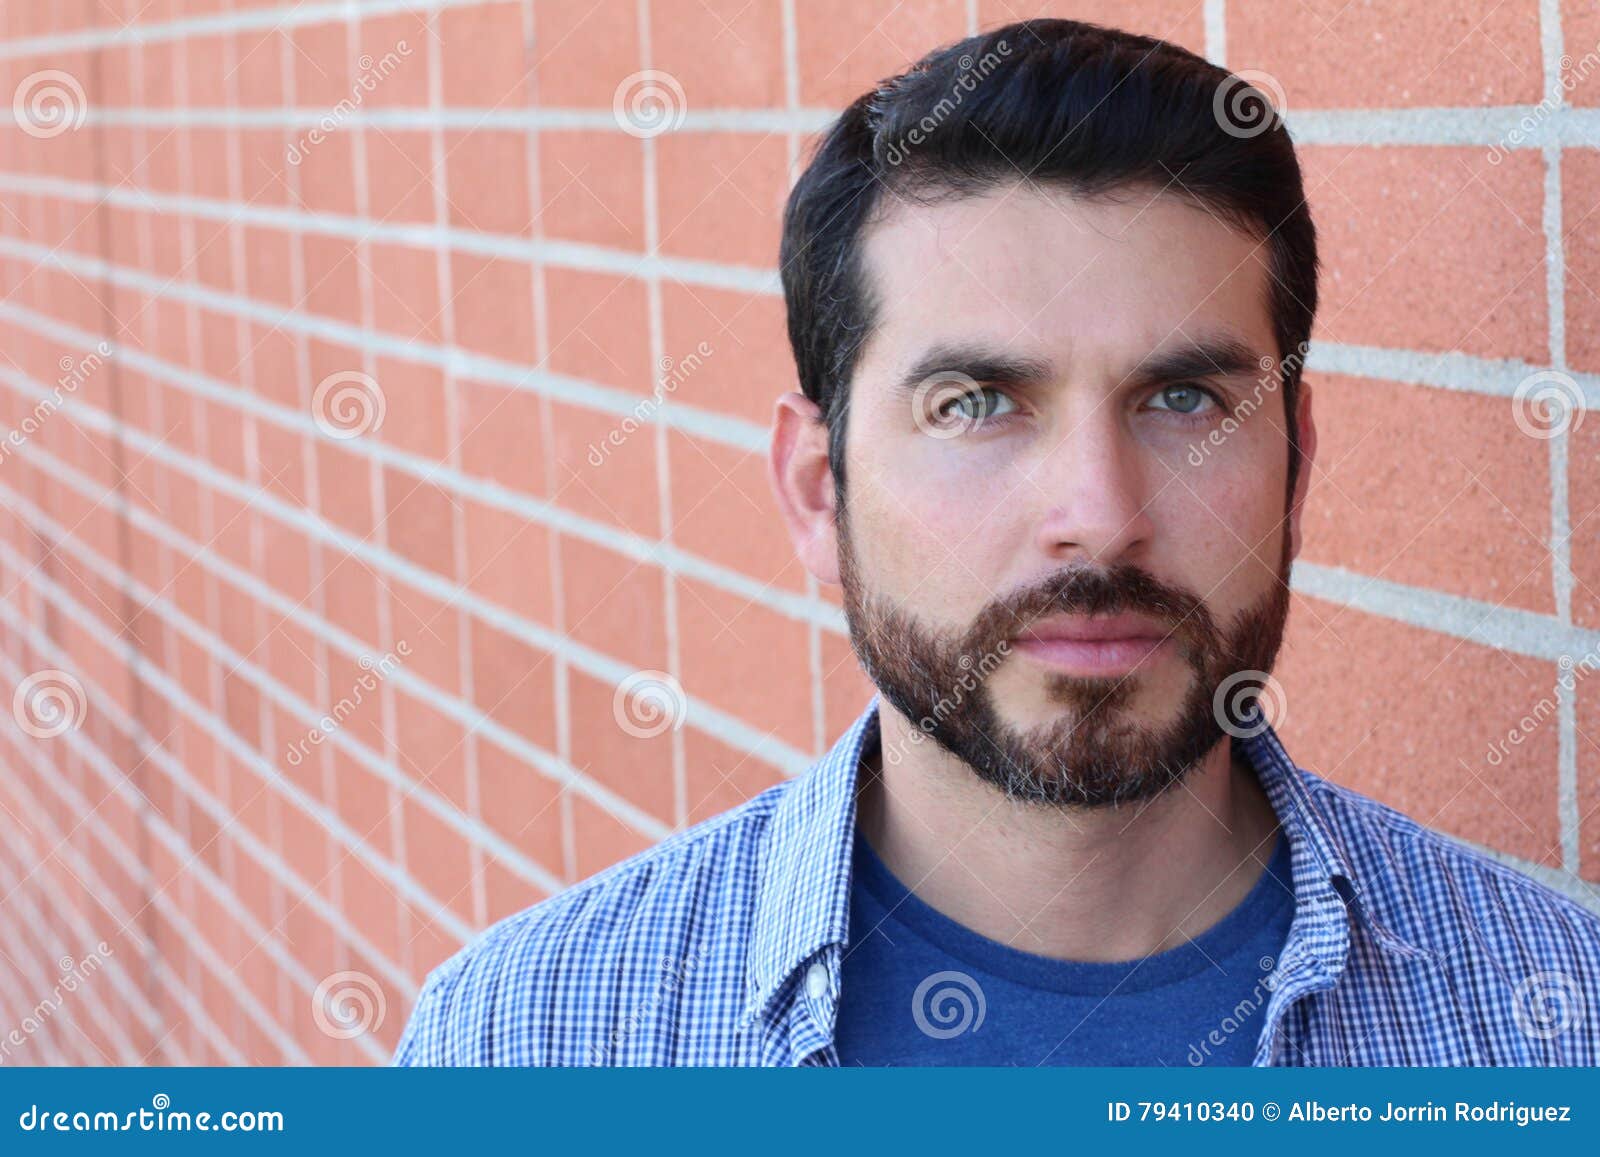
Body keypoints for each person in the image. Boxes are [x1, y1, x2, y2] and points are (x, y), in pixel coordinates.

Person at [393, 18, 1600, 1066]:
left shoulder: (1553, 1015)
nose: (1100, 511)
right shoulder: (526, 1041)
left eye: (1183, 400)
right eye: (975, 403)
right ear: (821, 489)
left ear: (1295, 470)